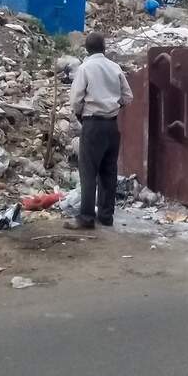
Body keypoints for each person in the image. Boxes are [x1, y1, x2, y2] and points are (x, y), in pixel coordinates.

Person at [64, 33, 134, 230]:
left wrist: (80, 114)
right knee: (109, 171)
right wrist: (114, 106)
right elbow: (128, 96)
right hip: (112, 125)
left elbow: (76, 99)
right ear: (104, 47)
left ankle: (86, 217)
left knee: (88, 172)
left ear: (87, 49)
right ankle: (106, 215)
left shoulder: (85, 68)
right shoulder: (115, 67)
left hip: (92, 124)